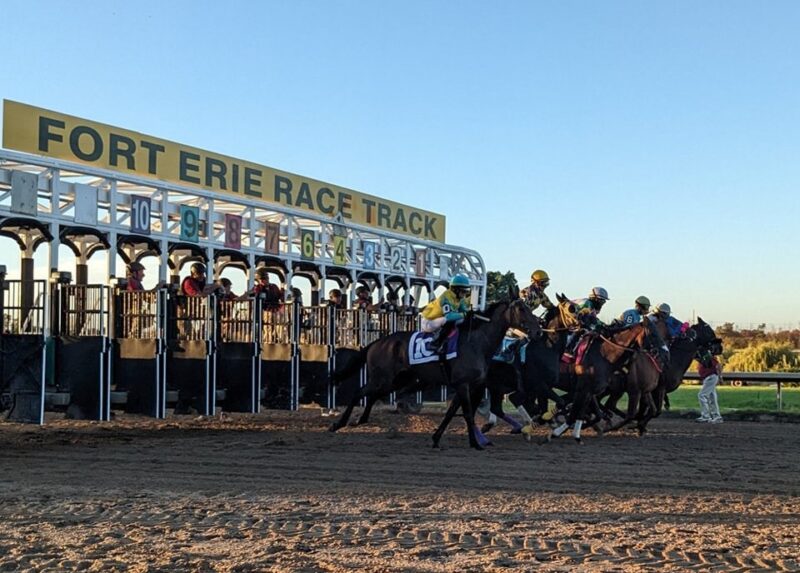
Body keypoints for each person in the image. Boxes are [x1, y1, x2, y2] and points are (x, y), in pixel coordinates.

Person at [420, 274, 472, 354]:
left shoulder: (459, 298)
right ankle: (434, 343)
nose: (465, 293)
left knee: (461, 320)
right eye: (463, 291)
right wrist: (464, 314)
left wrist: (471, 312)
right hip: (427, 322)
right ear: (455, 290)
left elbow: (463, 310)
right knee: (447, 321)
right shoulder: (446, 298)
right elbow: (449, 316)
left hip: (436, 320)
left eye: (466, 291)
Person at [564, 286, 610, 359]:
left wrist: (604, 325)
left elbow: (595, 320)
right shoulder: (587, 303)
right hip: (566, 320)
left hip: (571, 320)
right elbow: (582, 318)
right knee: (583, 327)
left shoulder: (592, 306)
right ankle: (568, 348)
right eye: (602, 301)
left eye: (604, 301)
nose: (602, 303)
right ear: (595, 298)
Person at [696, 349, 723, 423]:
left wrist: (720, 377)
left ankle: (706, 416)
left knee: (701, 395)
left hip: (710, 377)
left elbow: (718, 366)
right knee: (712, 397)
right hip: (709, 378)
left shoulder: (708, 358)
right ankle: (716, 416)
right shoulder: (704, 359)